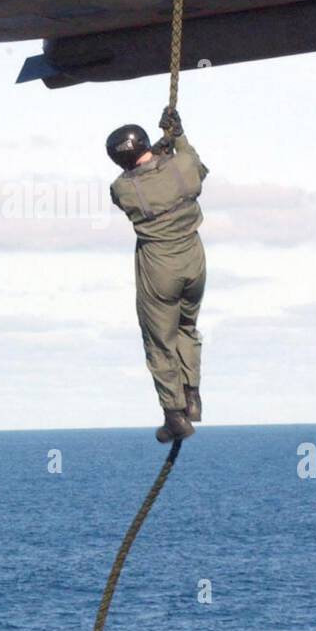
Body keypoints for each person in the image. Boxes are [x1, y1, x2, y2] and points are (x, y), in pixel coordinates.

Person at [107, 109, 208, 443]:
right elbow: (196, 167)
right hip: (193, 263)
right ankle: (192, 396)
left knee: (159, 342)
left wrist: (161, 155)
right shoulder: (181, 167)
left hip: (159, 268)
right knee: (186, 328)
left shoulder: (123, 189)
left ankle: (174, 415)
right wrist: (176, 138)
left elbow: (136, 180)